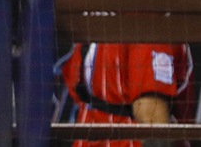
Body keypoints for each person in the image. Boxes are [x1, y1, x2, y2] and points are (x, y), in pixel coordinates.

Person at [59, 42, 192, 147]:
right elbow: (152, 120)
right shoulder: (148, 30)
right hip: (114, 140)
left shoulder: (95, 24)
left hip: (96, 139)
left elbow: (151, 119)